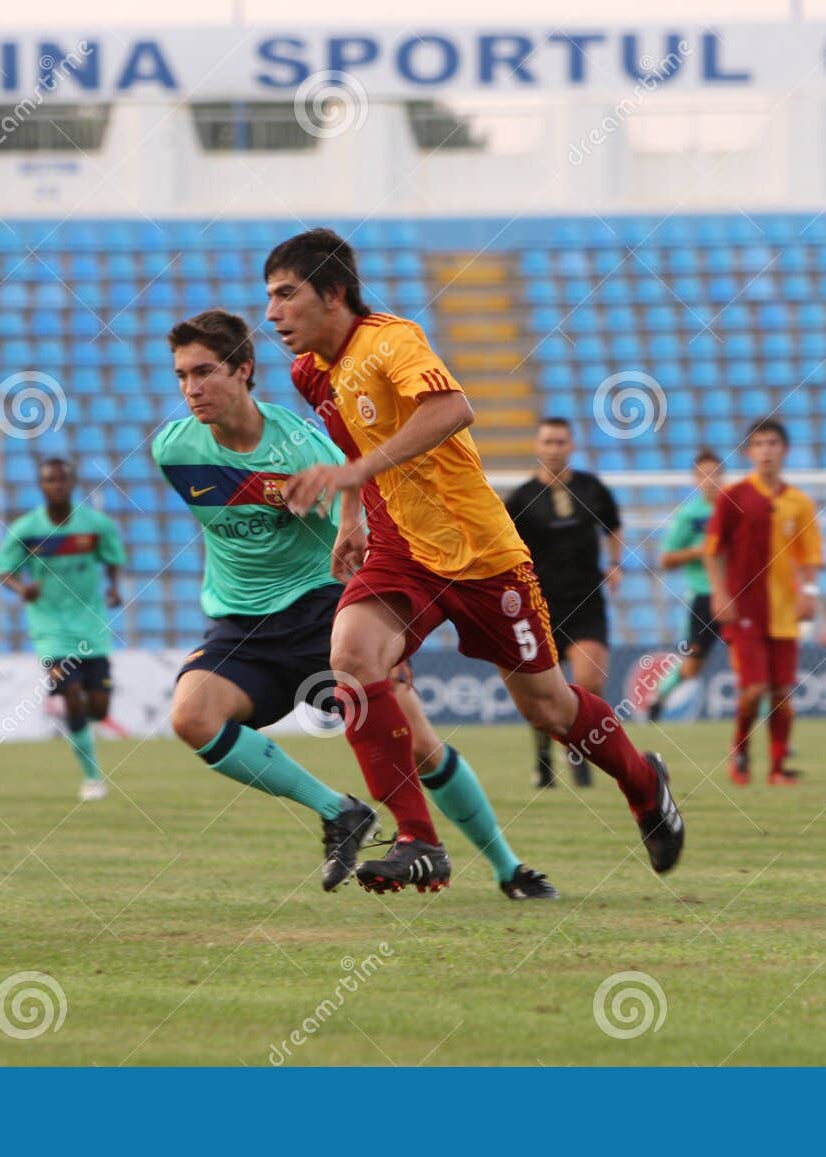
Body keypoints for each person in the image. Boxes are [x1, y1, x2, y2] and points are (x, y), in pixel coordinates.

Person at [267, 227, 683, 892]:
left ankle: (643, 783)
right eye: (270, 298)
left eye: (287, 295)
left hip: (481, 553)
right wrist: (352, 515)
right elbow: (351, 444)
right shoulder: (310, 373)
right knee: (350, 656)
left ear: (333, 292)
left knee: (548, 708)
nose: (272, 313)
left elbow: (454, 407)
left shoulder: (390, 339)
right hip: (402, 551)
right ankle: (417, 839)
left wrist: (358, 475)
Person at [157, 309, 558, 897]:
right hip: (242, 623)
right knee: (192, 717)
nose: (192, 388)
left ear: (244, 371)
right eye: (182, 376)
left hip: (324, 609)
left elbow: (362, 489)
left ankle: (508, 867)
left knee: (418, 745)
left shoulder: (300, 447)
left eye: (205, 372)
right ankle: (338, 811)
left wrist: (369, 592)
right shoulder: (173, 450)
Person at [0, 458, 124, 801]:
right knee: (72, 695)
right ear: (41, 486)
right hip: (50, 628)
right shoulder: (26, 529)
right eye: (50, 480)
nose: (57, 485)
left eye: (63, 479)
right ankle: (92, 778)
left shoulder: (95, 525)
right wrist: (22, 589)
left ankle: (84, 729)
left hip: (91, 627)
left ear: (72, 482)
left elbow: (112, 558)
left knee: (99, 707)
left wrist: (113, 587)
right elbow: (2, 569)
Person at [504, 418, 624, 788]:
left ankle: (578, 751)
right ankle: (543, 757)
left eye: (560, 442)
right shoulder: (522, 498)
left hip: (587, 601)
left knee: (590, 682)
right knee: (540, 693)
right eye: (548, 442)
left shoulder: (592, 489)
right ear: (538, 448)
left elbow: (613, 526)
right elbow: (506, 545)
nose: (554, 448)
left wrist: (615, 563)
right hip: (540, 605)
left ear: (571, 446)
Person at [705, 418, 823, 786]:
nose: (767, 450)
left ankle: (776, 770)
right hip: (744, 609)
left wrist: (809, 593)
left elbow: (809, 557)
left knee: (782, 694)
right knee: (753, 689)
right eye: (760, 444)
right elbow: (713, 551)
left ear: (785, 450)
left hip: (785, 611)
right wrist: (720, 593)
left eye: (773, 443)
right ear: (749, 452)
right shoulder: (733, 497)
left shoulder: (800, 503)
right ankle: (739, 752)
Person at [646, 450, 727, 722]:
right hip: (704, 596)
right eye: (704, 474)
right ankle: (659, 698)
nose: (710, 480)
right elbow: (667, 559)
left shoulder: (734, 507)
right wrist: (699, 551)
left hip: (738, 595)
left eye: (715, 473)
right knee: (693, 664)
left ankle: (770, 726)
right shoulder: (689, 515)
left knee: (750, 661)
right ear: (695, 479)